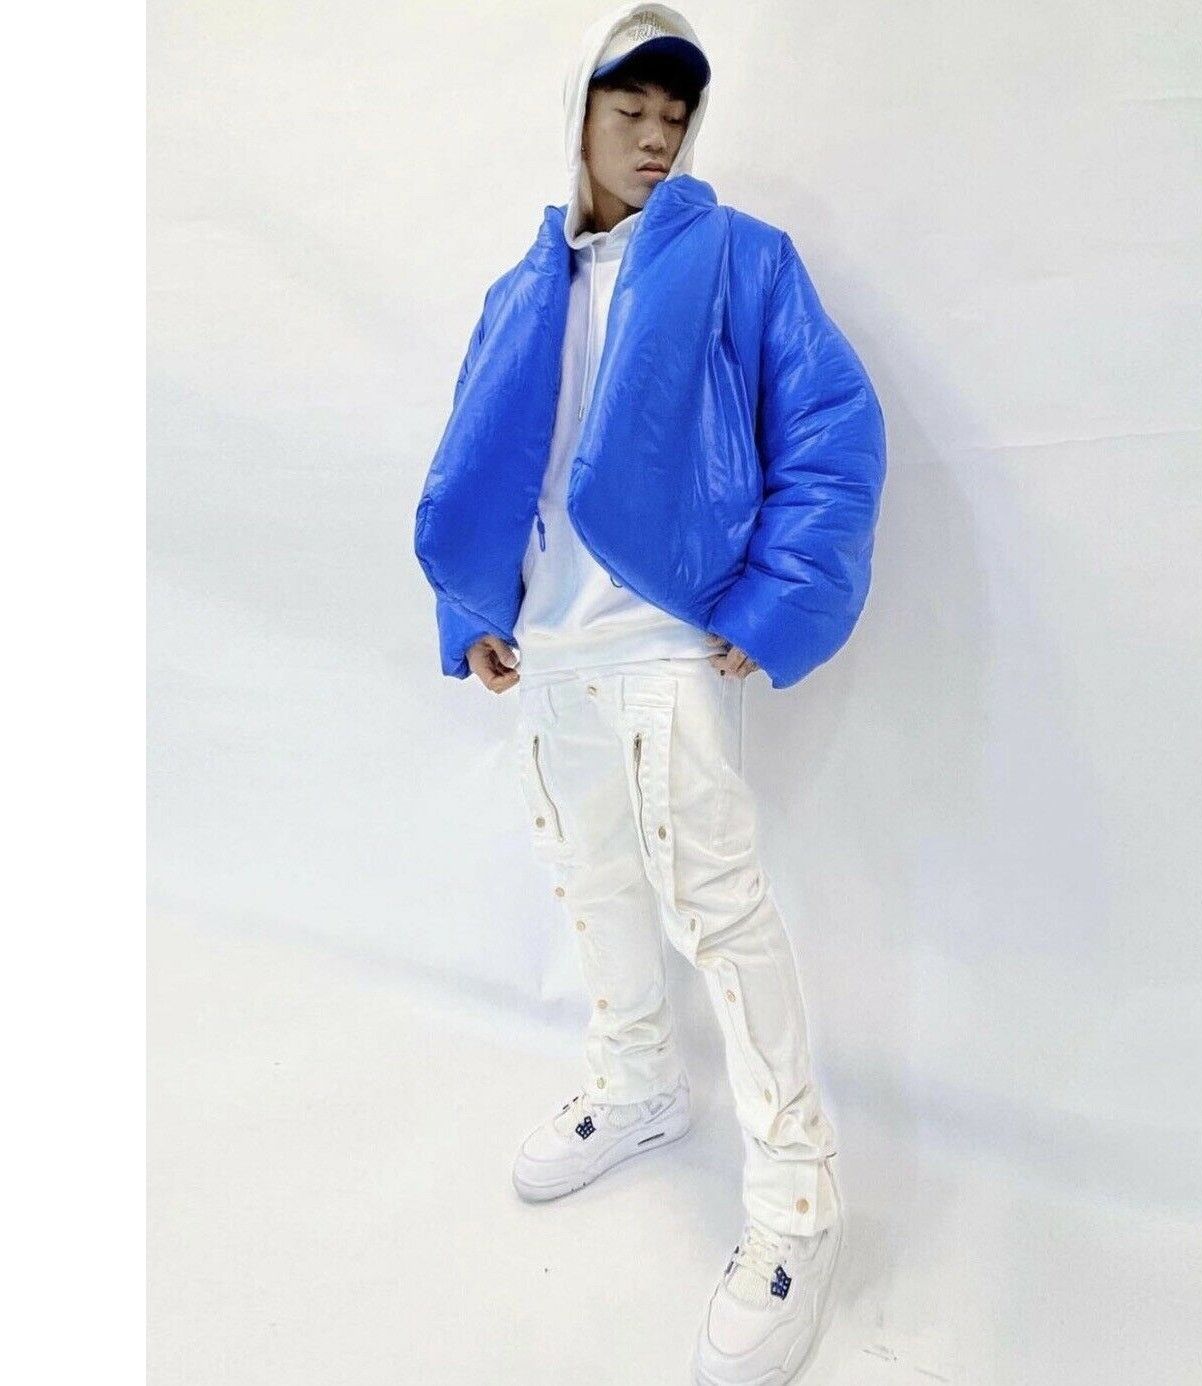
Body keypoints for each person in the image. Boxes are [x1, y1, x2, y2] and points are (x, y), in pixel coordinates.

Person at [413, 5, 887, 1381]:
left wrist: (775, 601)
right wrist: (471, 605)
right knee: (593, 883)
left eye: (676, 116)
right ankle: (636, 1085)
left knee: (719, 912)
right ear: (578, 118)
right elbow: (475, 453)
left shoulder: (742, 257)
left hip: (671, 640)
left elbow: (830, 428)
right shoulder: (524, 287)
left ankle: (799, 1202)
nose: (657, 137)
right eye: (629, 111)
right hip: (552, 652)